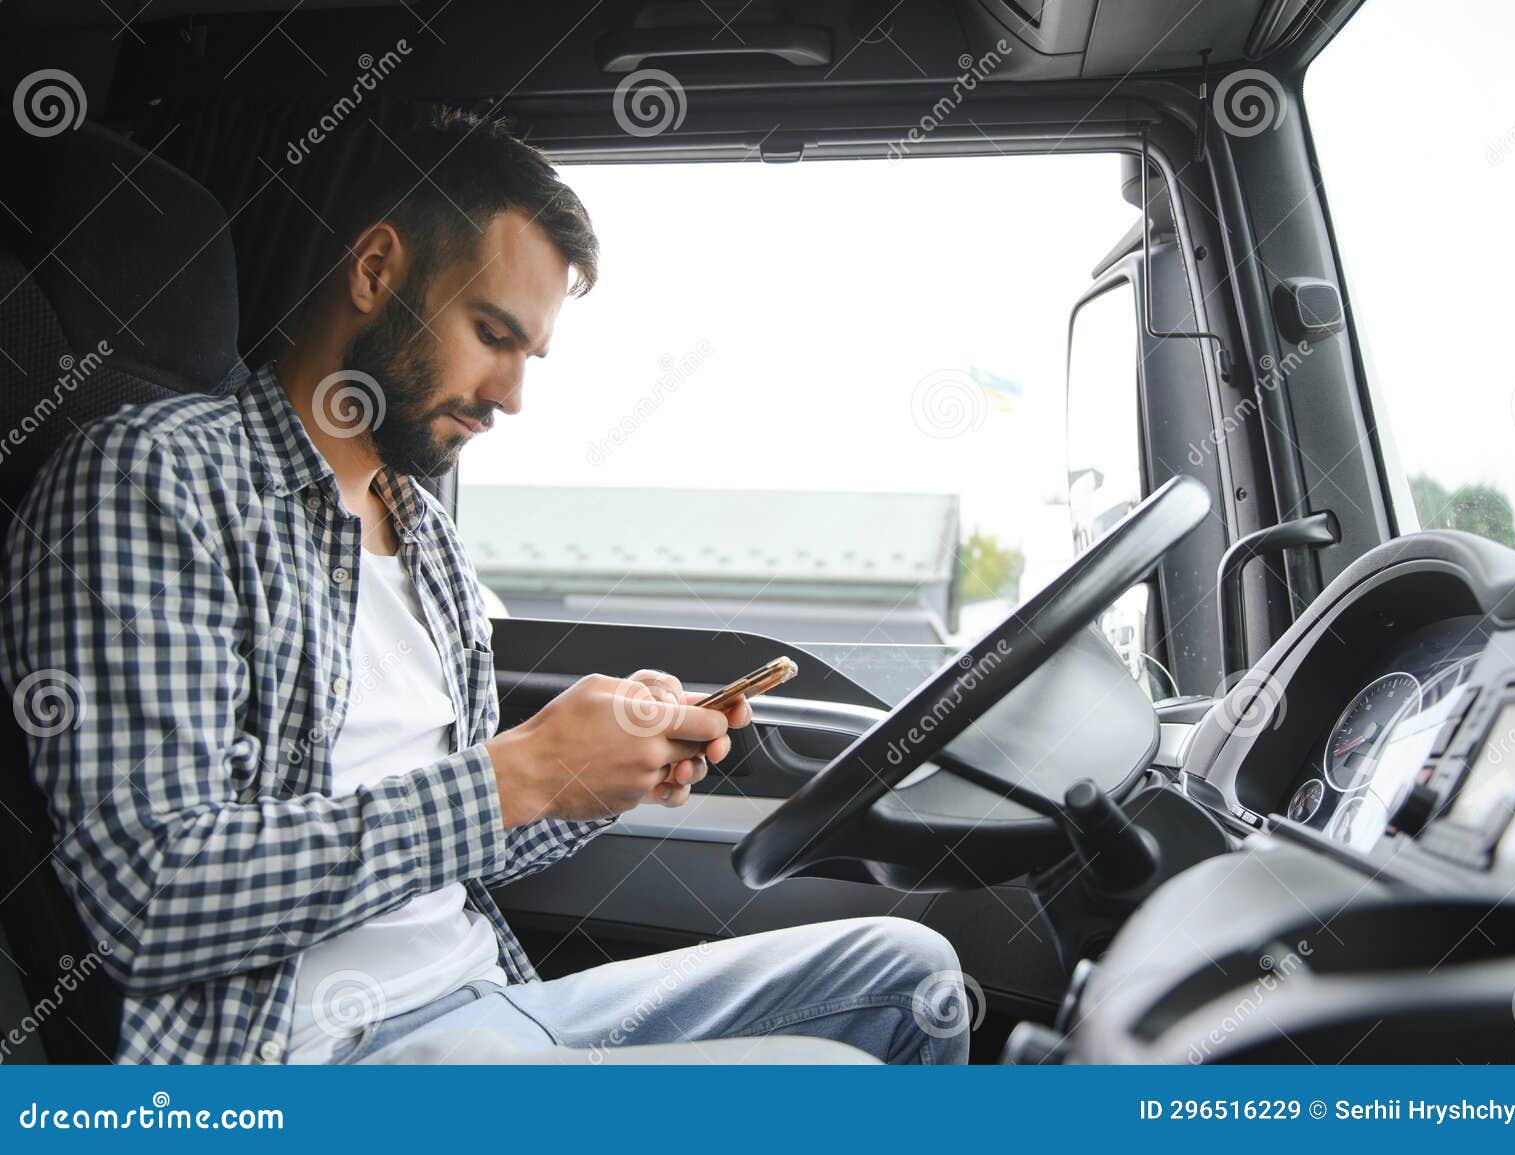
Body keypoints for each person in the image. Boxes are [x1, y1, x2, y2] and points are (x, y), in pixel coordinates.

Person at [0, 109, 967, 1066]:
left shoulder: (428, 541)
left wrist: (594, 778)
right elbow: (150, 897)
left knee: (910, 977)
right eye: (491, 334)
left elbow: (460, 839)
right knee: (824, 1080)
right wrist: (525, 770)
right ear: (376, 270)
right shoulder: (151, 480)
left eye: (528, 356)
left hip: (492, 1005)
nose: (511, 396)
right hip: (314, 1059)